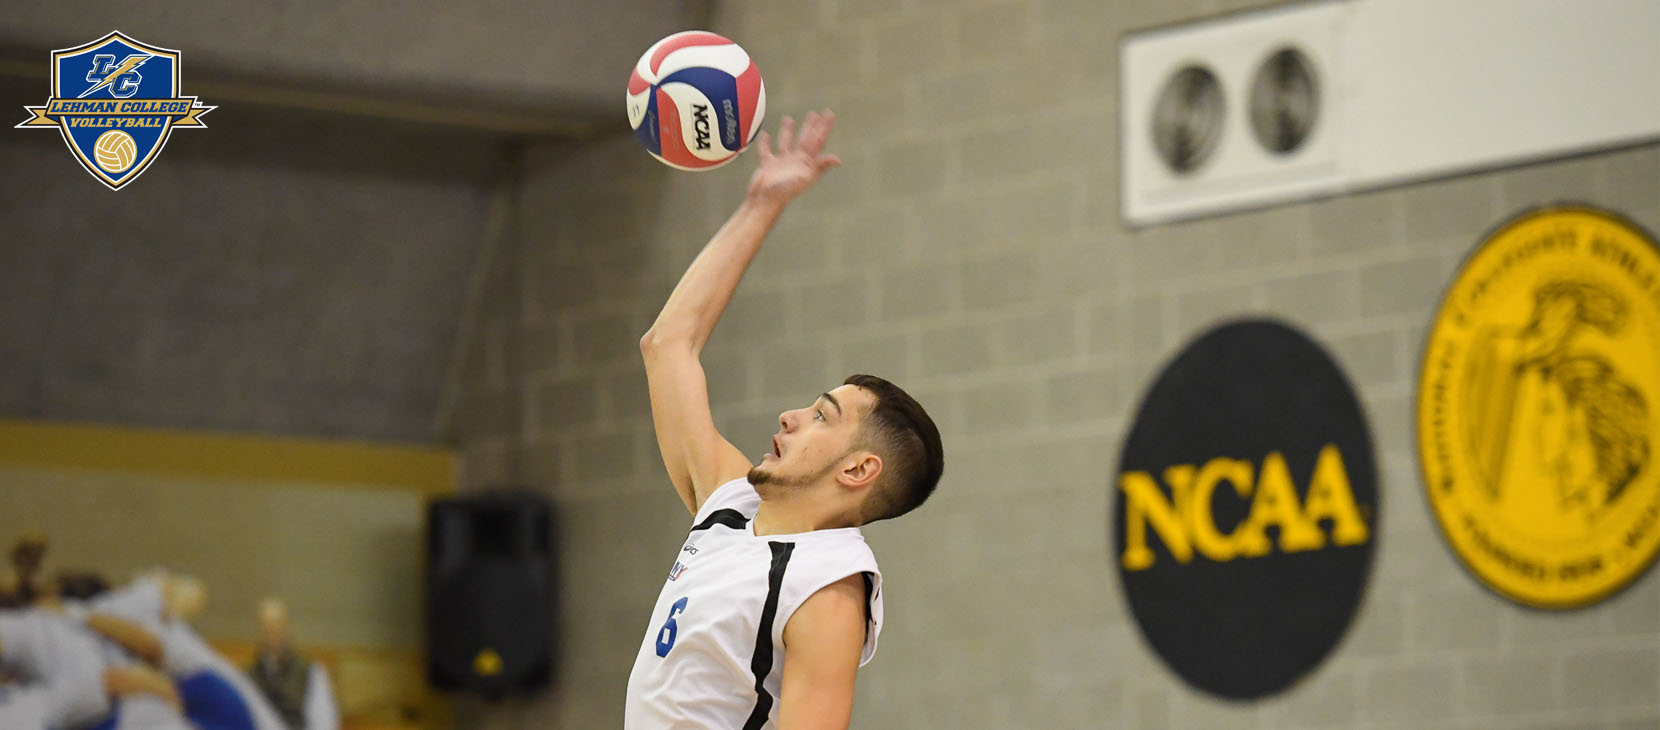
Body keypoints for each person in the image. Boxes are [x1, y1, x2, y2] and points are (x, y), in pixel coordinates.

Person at [623, 111, 944, 730]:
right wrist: (762, 205)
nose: (790, 416)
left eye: (821, 415)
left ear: (858, 468)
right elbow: (668, 345)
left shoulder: (828, 585)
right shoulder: (730, 506)